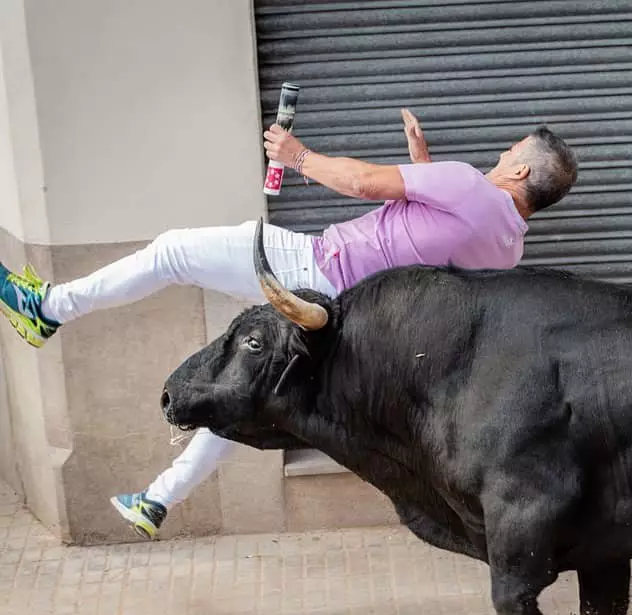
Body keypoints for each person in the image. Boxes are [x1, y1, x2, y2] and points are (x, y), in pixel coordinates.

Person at [0, 109, 578, 539]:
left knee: (171, 252)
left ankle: (48, 308)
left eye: (510, 152)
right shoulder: (508, 249)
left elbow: (362, 184)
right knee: (251, 390)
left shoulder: (467, 185)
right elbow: (430, 240)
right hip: (350, 322)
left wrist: (296, 155)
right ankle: (157, 500)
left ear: (521, 166)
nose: (501, 156)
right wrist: (422, 163)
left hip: (310, 268)